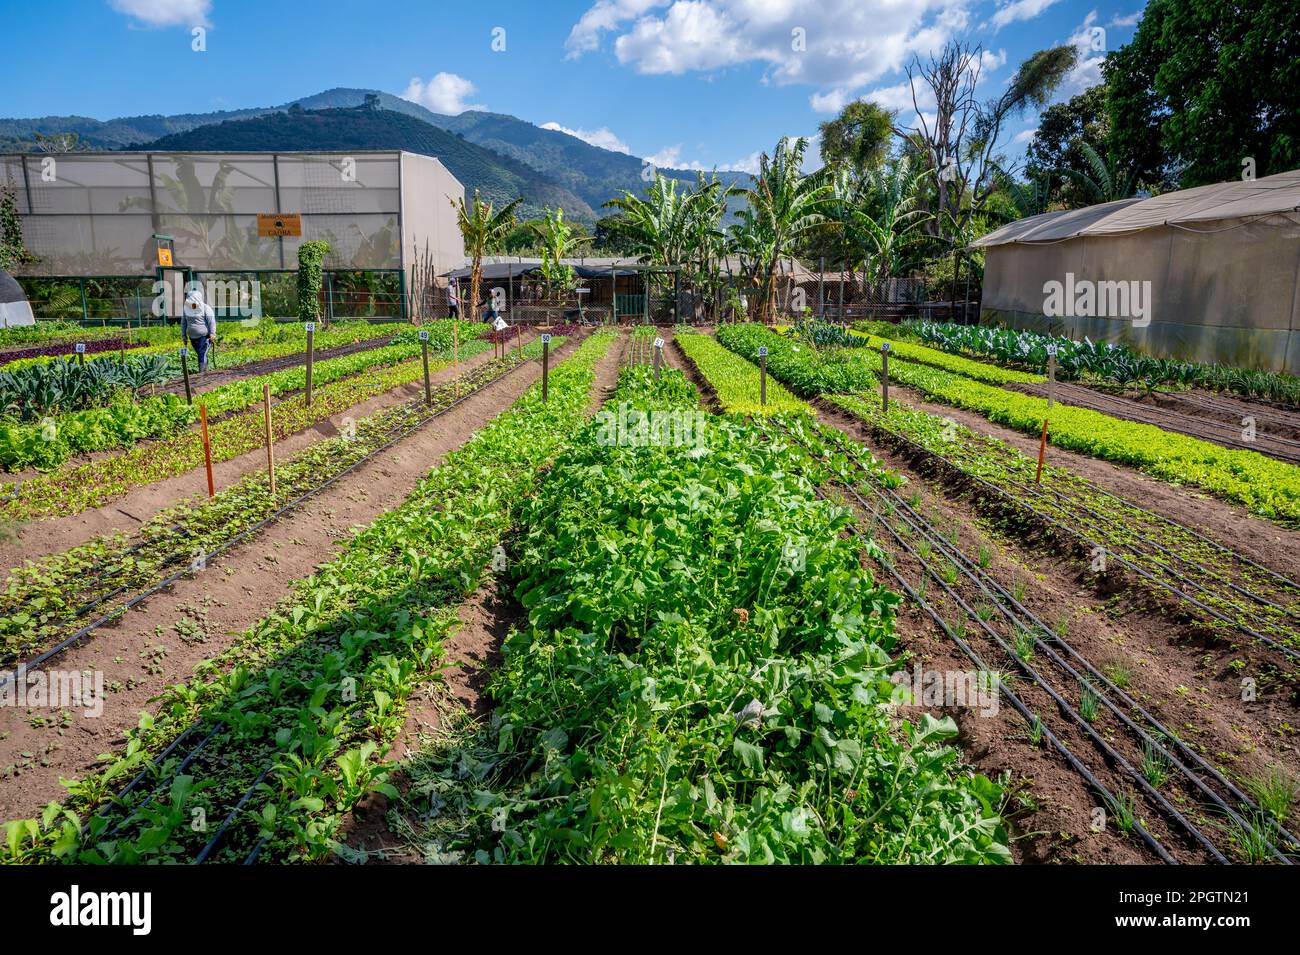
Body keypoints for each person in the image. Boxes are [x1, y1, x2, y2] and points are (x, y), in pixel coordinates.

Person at [183, 287, 216, 373]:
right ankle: (205, 371)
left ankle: (201, 373)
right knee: (201, 354)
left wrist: (212, 333)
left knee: (202, 354)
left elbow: (211, 321)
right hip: (192, 337)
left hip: (204, 336)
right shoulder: (187, 309)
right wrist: (184, 335)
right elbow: (183, 322)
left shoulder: (205, 308)